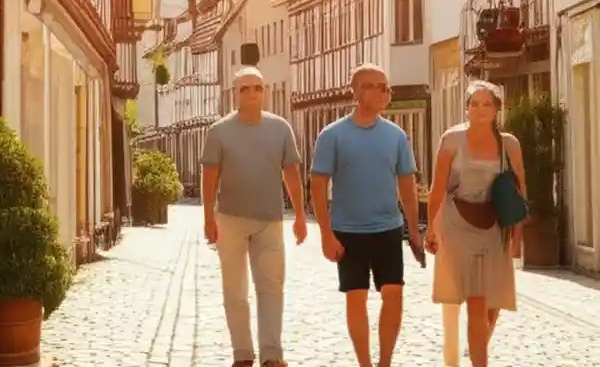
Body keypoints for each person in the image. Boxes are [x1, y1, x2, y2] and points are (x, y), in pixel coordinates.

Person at [309, 64, 421, 367]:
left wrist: (414, 229)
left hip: (387, 228)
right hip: (348, 231)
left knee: (394, 294)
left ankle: (385, 361)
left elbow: (407, 184)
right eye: (373, 86)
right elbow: (318, 185)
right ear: (356, 92)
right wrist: (325, 233)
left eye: (385, 87)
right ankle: (365, 364)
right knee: (356, 296)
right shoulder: (332, 135)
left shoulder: (396, 136)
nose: (382, 92)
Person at [201, 67, 307, 367]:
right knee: (235, 290)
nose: (251, 94)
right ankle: (242, 353)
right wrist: (208, 217)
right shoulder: (219, 131)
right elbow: (210, 176)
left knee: (271, 287)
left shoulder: (280, 128)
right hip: (230, 220)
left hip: (269, 221)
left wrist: (300, 215)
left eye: (257, 88)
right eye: (244, 89)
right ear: (234, 93)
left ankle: (272, 353)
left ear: (265, 92)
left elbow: (292, 174)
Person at [425, 80, 525, 367]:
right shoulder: (452, 139)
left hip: (494, 225)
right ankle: (479, 359)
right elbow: (437, 187)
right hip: (459, 225)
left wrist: (517, 235)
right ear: (466, 108)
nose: (480, 110)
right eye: (474, 104)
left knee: (493, 304)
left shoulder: (509, 144)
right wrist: (431, 227)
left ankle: (477, 342)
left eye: (486, 104)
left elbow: (521, 189)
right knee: (477, 301)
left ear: (496, 110)